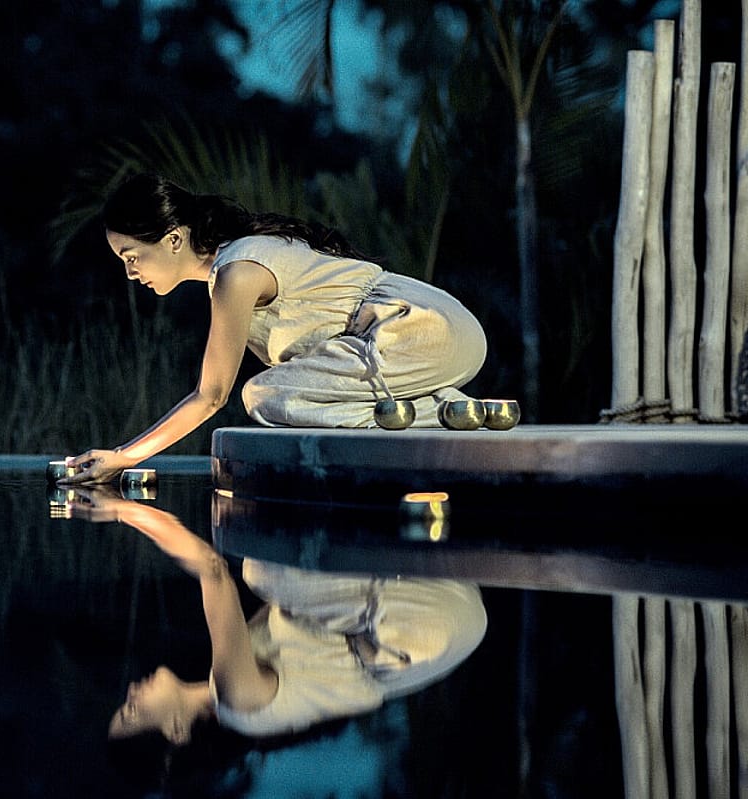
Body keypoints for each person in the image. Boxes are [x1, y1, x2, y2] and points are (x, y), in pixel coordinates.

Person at [60, 172, 488, 485]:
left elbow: (212, 395)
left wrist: (124, 456)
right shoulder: (238, 258)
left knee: (264, 394)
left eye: (132, 256)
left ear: (173, 239)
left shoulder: (236, 271)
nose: (130, 272)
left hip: (417, 329)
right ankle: (449, 407)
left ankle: (438, 413)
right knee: (282, 390)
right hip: (444, 330)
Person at [64, 485, 488, 743]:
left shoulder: (235, 695)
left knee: (271, 563)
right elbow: (213, 571)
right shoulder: (237, 701)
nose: (131, 693)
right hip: (425, 626)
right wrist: (129, 511)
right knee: (261, 570)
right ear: (176, 730)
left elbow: (295, 603)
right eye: (132, 712)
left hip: (440, 620)